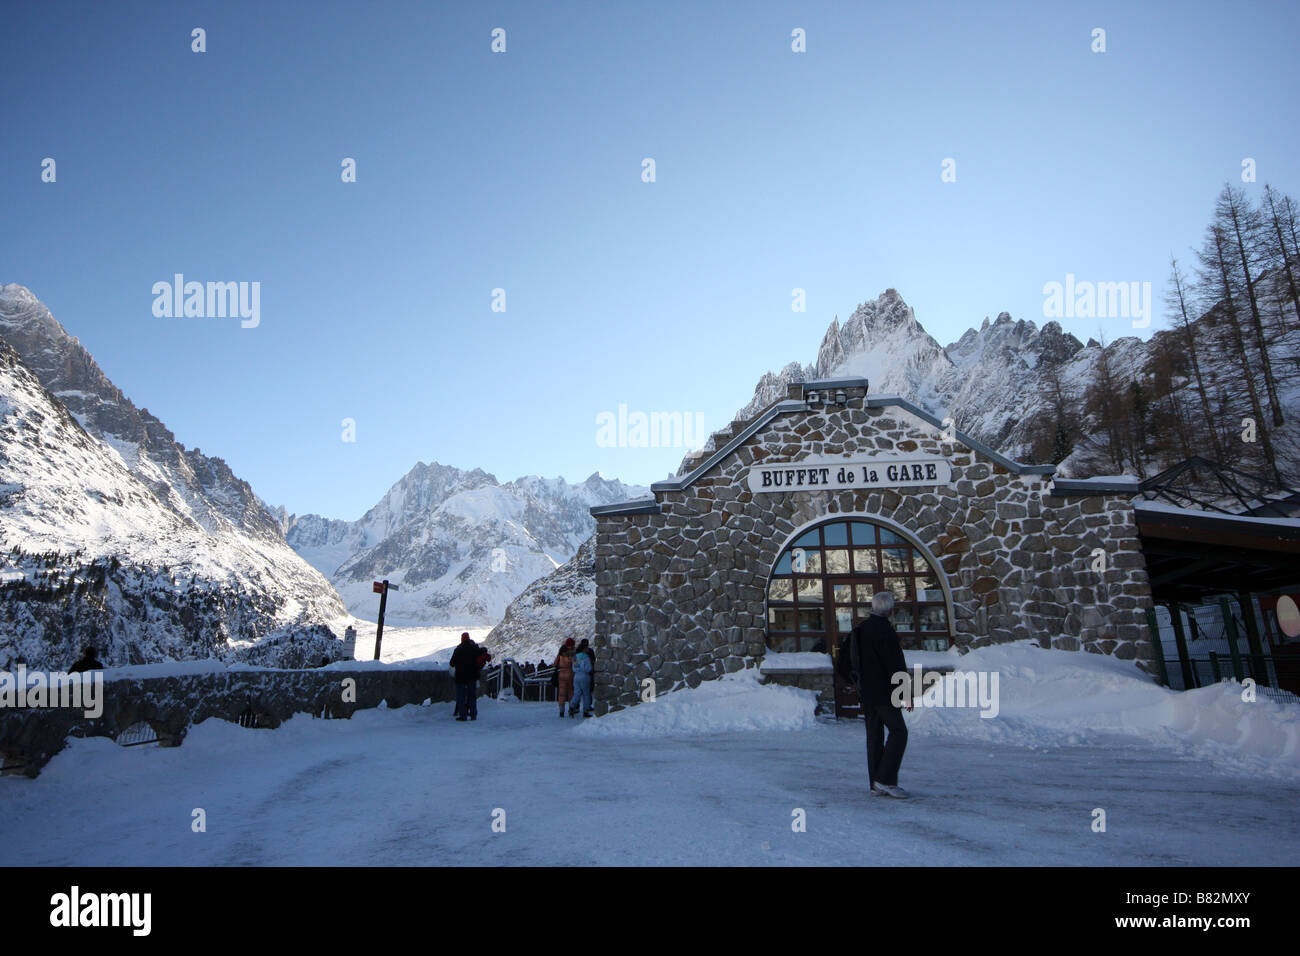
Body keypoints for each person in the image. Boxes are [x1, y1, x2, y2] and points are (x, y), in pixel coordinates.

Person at [846, 592, 913, 798]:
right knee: (899, 732)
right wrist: (906, 693)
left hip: (866, 692)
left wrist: (854, 682)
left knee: (874, 736)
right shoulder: (886, 631)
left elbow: (848, 659)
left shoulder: (860, 629)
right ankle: (885, 780)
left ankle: (875, 783)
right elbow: (895, 665)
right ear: (890, 610)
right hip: (884, 692)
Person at [449, 633, 487, 721]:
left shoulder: (458, 649)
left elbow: (452, 663)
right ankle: (473, 715)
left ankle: (463, 715)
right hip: (473, 676)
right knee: (472, 696)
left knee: (461, 696)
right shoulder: (474, 648)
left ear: (462, 639)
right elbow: (481, 654)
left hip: (461, 677)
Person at [569, 638, 594, 717]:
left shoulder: (575, 657)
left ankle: (572, 706)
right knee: (586, 694)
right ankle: (586, 710)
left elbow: (573, 667)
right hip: (584, 676)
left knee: (577, 693)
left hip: (576, 676)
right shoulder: (586, 657)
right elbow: (588, 668)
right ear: (584, 649)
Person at [552, 639, 575, 718]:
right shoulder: (573, 653)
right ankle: (571, 709)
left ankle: (561, 711)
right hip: (571, 674)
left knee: (561, 693)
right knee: (571, 692)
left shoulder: (561, 652)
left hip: (561, 674)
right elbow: (576, 664)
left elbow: (554, 663)